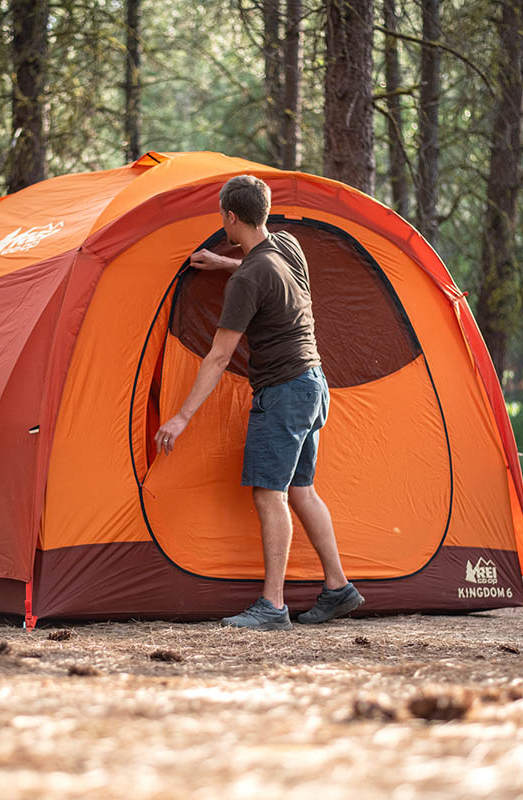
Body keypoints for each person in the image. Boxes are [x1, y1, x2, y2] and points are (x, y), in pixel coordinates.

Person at [152, 175, 364, 631]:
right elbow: (263, 272)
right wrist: (223, 262)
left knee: (271, 494)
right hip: (313, 385)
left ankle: (272, 606)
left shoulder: (247, 277)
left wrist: (181, 416)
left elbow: (220, 355)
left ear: (230, 216)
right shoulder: (287, 246)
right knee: (301, 490)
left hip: (284, 394)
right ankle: (338, 588)